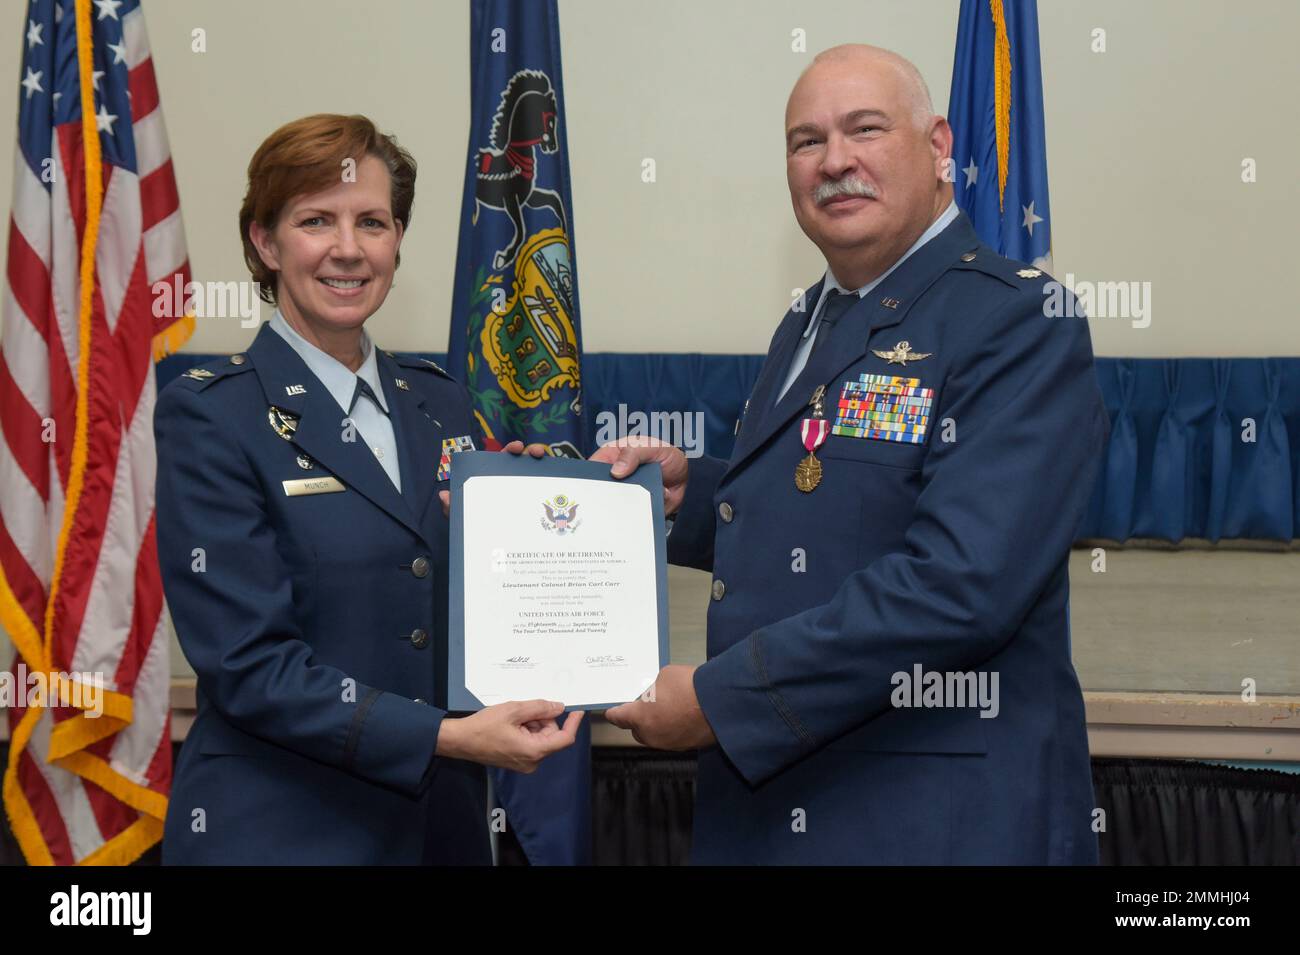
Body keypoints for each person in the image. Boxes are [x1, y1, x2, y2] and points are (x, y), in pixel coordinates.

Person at [597, 45, 1109, 864]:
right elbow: (831, 498)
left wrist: (721, 698)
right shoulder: (809, 319)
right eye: (807, 141)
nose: (835, 161)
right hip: (779, 805)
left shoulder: (1018, 321)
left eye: (864, 129)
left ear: (940, 145)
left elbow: (960, 586)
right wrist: (687, 497)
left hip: (925, 822)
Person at [155, 114, 582, 865]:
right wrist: (444, 736)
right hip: (284, 832)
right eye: (316, 220)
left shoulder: (440, 403)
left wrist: (530, 520)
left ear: (397, 239)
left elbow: (465, 612)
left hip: (442, 833)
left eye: (372, 222)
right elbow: (252, 667)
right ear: (264, 241)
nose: (348, 249)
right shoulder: (212, 413)